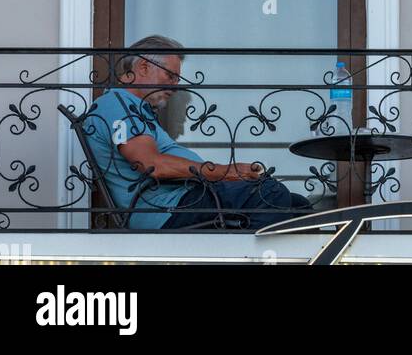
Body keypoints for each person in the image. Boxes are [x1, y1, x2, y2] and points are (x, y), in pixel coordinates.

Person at [84, 35, 312, 230]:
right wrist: (224, 172)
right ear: (143, 67)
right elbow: (152, 165)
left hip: (184, 200)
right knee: (269, 193)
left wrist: (224, 175)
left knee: (298, 206)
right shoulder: (115, 104)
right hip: (167, 210)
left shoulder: (133, 108)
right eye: (170, 76)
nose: (174, 86)